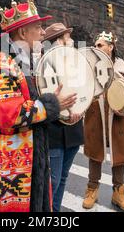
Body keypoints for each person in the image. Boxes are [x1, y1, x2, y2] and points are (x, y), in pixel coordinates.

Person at [0, 0, 77, 212]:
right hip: (9, 164)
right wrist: (53, 105)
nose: (43, 33)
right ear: (22, 33)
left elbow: (33, 105)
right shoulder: (0, 63)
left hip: (25, 157)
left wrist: (62, 112)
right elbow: (9, 114)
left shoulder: (23, 61)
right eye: (39, 27)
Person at [83, 31, 124, 212]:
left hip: (118, 122)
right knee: (95, 155)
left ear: (111, 47)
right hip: (96, 119)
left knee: (119, 157)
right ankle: (92, 190)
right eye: (95, 45)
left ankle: (118, 194)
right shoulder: (89, 68)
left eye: (100, 45)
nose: (96, 48)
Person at [42, 23, 84, 212]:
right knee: (53, 179)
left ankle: (55, 211)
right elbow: (40, 100)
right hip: (53, 131)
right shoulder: (41, 66)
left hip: (73, 129)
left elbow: (85, 93)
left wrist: (81, 109)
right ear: (56, 42)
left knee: (63, 177)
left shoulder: (75, 65)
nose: (72, 41)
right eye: (67, 38)